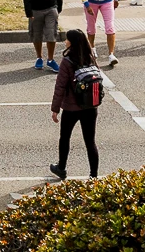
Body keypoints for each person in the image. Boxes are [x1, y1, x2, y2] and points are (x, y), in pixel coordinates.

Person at [49, 28, 102, 180]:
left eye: (67, 39)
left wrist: (55, 109)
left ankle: (61, 168)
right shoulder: (90, 57)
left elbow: (60, 86)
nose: (65, 41)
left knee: (65, 138)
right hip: (90, 107)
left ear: (72, 42)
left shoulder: (67, 61)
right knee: (90, 142)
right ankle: (93, 176)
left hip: (71, 108)